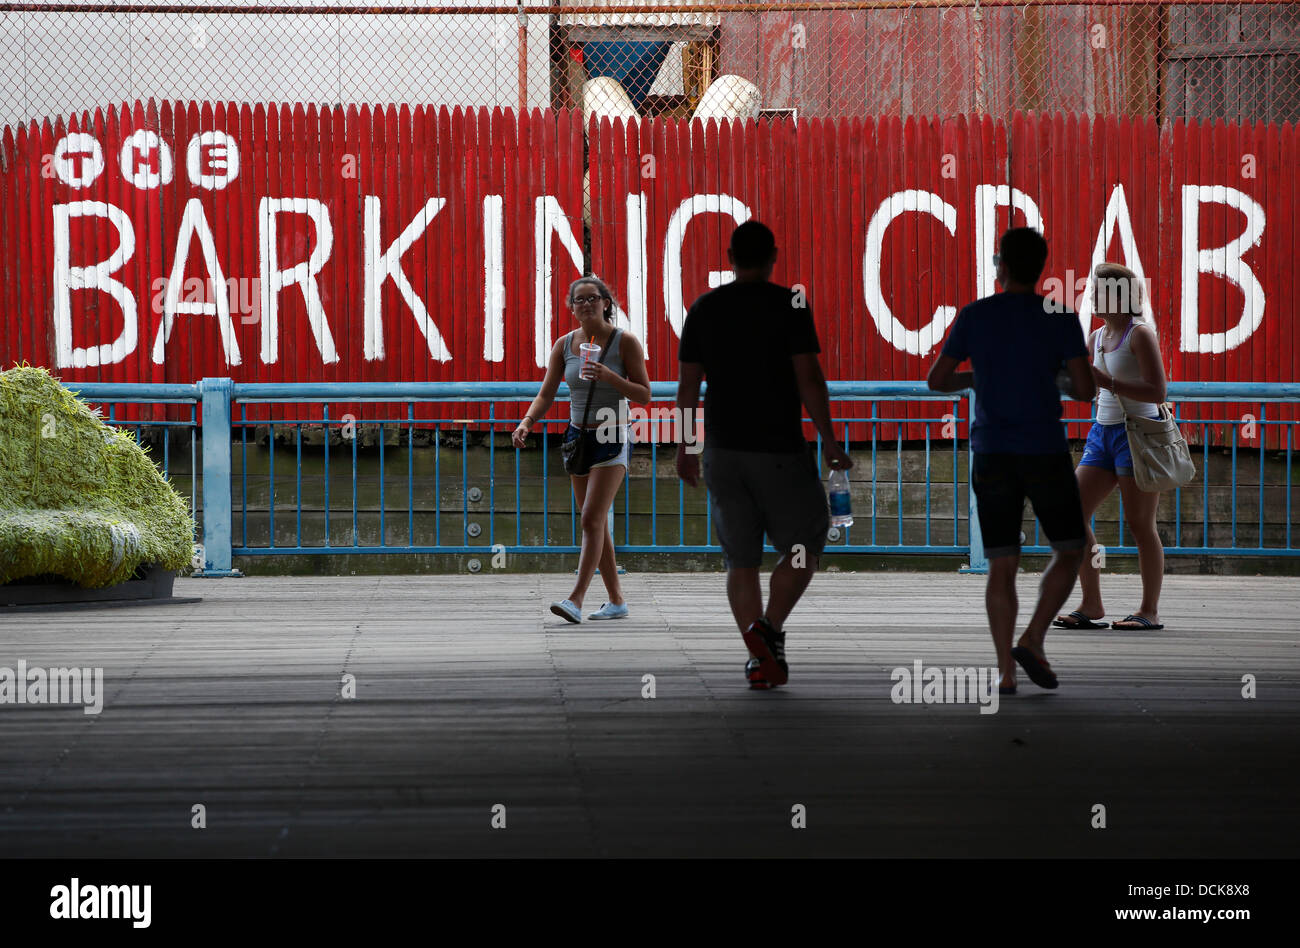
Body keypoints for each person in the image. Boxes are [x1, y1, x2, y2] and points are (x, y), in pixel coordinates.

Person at [675, 221, 852, 690]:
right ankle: (769, 628)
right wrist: (829, 439)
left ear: (730, 256)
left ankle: (760, 660)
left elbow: (688, 389)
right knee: (806, 542)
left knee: (741, 560)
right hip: (778, 450)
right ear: (773, 255)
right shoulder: (789, 303)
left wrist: (687, 448)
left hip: (721, 451)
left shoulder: (704, 308)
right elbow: (809, 378)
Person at [927, 227, 1097, 694]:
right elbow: (1085, 390)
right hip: (1043, 449)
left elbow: (937, 381)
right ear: (1040, 268)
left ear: (1001, 266)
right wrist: (1051, 381)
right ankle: (1034, 638)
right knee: (1070, 548)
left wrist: (978, 379)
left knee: (1001, 564)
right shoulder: (1060, 318)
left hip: (992, 452)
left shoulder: (975, 316)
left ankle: (1005, 672)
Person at [513, 276, 651, 623]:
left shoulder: (625, 342)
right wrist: (527, 422)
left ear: (607, 303)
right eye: (580, 300)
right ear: (571, 308)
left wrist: (610, 377)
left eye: (593, 298)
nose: (587, 305)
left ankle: (575, 598)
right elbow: (546, 394)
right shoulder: (564, 345)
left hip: (611, 434)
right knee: (595, 524)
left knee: (591, 518)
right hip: (578, 437)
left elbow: (644, 395)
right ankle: (617, 600)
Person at [1054, 262, 1168, 631]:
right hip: (1102, 434)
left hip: (1138, 434)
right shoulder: (1096, 338)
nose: (1090, 297)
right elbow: (1091, 389)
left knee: (1140, 525)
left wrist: (1108, 382)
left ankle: (1148, 610)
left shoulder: (1140, 335)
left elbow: (1157, 391)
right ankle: (1092, 604)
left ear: (1119, 296)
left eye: (1098, 292)